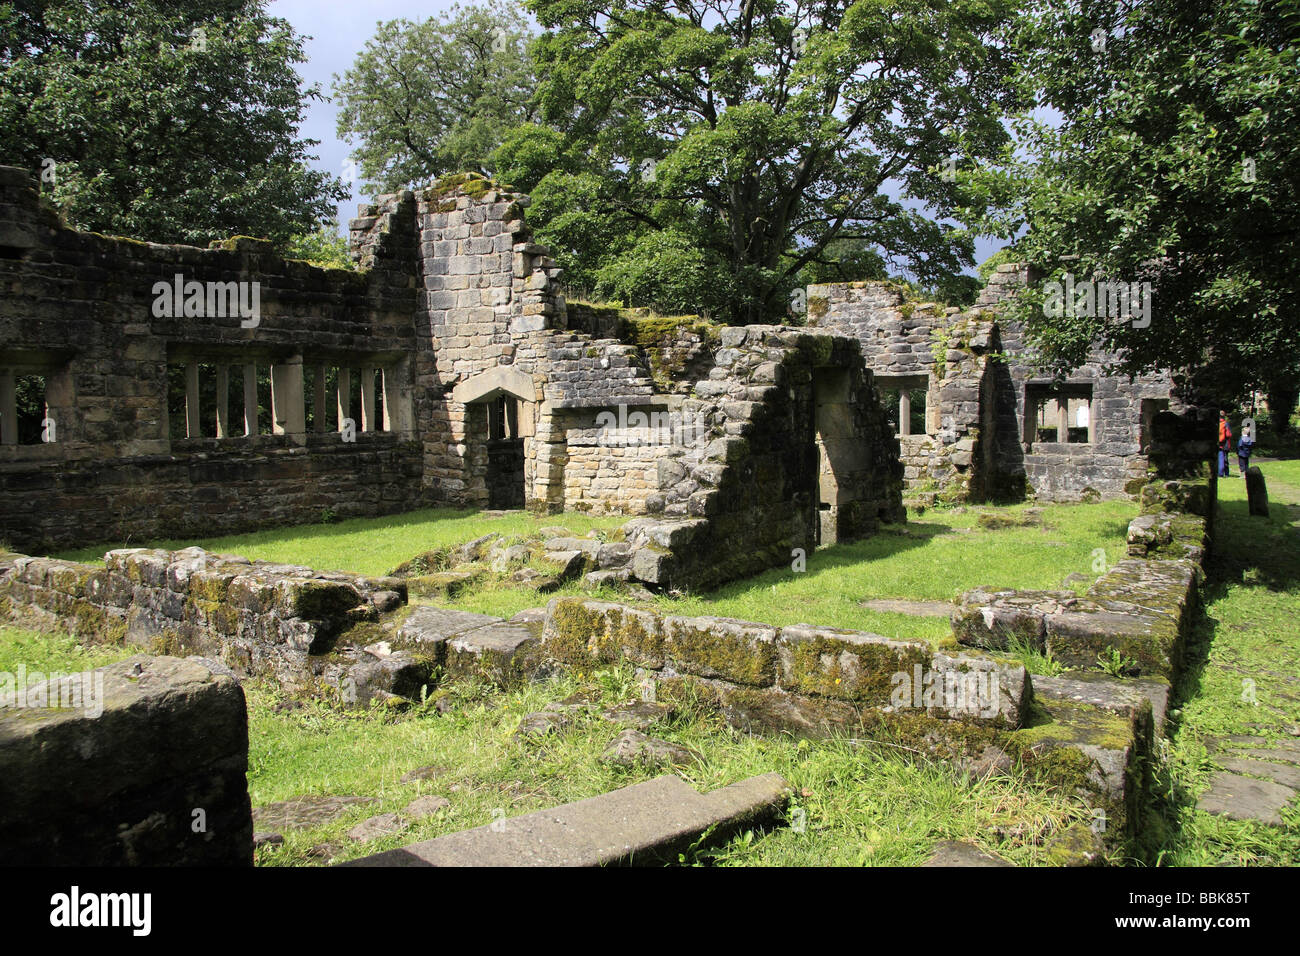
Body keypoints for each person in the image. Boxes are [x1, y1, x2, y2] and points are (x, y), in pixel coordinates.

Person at [1219, 410, 1233, 477]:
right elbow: (1229, 435)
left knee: (1220, 458)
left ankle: (1219, 473)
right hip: (1225, 444)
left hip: (1219, 444)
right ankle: (1226, 473)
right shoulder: (1225, 423)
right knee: (1225, 459)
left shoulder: (1216, 423)